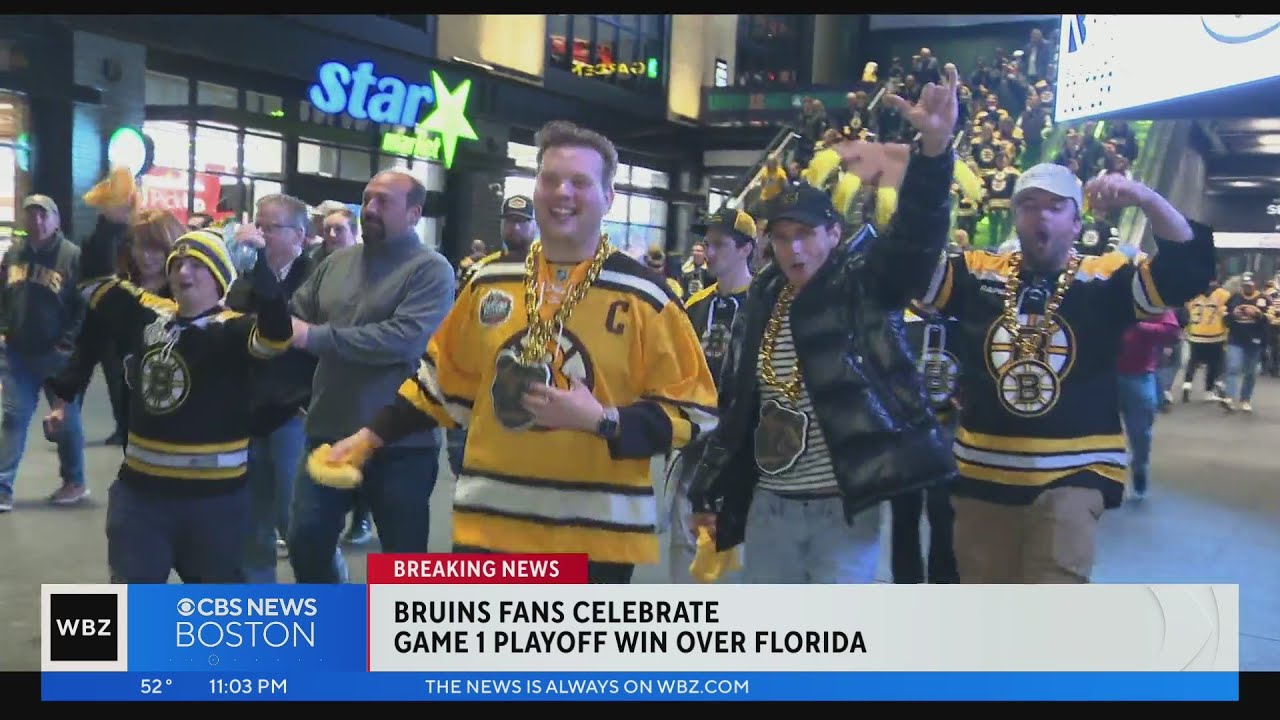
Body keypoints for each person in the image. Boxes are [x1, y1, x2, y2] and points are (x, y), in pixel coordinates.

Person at [323, 120, 718, 583]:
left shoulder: (647, 296)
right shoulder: (490, 280)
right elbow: (437, 383)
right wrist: (368, 437)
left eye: (579, 182)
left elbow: (695, 412)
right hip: (488, 525)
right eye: (549, 179)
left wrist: (603, 420)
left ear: (609, 197)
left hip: (591, 539)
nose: (561, 193)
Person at [688, 68, 961, 584]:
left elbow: (916, 238)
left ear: (834, 234)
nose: (792, 248)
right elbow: (740, 406)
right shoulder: (761, 299)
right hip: (770, 503)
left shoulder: (866, 284)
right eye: (782, 236)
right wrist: (709, 487)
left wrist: (935, 147)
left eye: (806, 235)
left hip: (842, 504)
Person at [917, 164, 1215, 583]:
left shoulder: (1105, 277)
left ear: (1077, 223)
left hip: (1075, 475)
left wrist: (1145, 197)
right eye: (1028, 205)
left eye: (1056, 207)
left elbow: (1186, 269)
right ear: (1015, 216)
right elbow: (906, 271)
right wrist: (924, 167)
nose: (1041, 216)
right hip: (981, 475)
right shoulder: (976, 271)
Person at [44, 229, 292, 582]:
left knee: (215, 612)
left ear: (220, 277)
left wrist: (262, 268)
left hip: (216, 502)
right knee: (134, 605)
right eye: (176, 264)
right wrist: (107, 223)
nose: (182, 273)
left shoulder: (236, 330)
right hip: (142, 498)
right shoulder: (148, 313)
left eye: (196, 265)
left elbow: (276, 336)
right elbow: (94, 283)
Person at [286, 170, 455, 584]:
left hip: (403, 440)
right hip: (328, 428)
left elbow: (402, 340)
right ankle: (335, 624)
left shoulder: (432, 271)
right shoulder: (336, 263)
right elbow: (296, 313)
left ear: (414, 213)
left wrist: (316, 338)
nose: (372, 209)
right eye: (368, 198)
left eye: (385, 201)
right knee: (305, 541)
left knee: (403, 564)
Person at [226, 193, 319, 583]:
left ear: (298, 235)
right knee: (250, 526)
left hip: (293, 417)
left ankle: (328, 602)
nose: (258, 234)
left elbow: (303, 336)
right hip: (248, 415)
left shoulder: (314, 279)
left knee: (296, 523)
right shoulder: (245, 277)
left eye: (269, 227)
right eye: (257, 225)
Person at [665, 208, 756, 583]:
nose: (709, 251)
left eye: (720, 244)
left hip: (744, 449)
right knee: (685, 538)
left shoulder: (764, 305)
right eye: (707, 243)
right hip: (697, 443)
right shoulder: (695, 305)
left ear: (746, 249)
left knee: (735, 543)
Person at [0, 194, 87, 512]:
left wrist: (69, 341)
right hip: (16, 354)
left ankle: (74, 481)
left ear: (56, 220)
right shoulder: (13, 255)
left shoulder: (71, 256)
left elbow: (83, 305)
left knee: (66, 422)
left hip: (57, 356)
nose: (37, 221)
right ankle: (2, 488)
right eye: (31, 215)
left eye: (43, 215)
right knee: (13, 419)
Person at [446, 194, 538, 480]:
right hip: (478, 381)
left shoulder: (550, 272)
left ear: (535, 226)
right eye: (510, 222)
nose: (516, 229)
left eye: (523, 223)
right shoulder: (480, 272)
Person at [892, 300, 961, 584]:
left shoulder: (963, 311)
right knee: (904, 519)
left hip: (952, 434)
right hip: (903, 434)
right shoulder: (897, 313)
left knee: (945, 518)